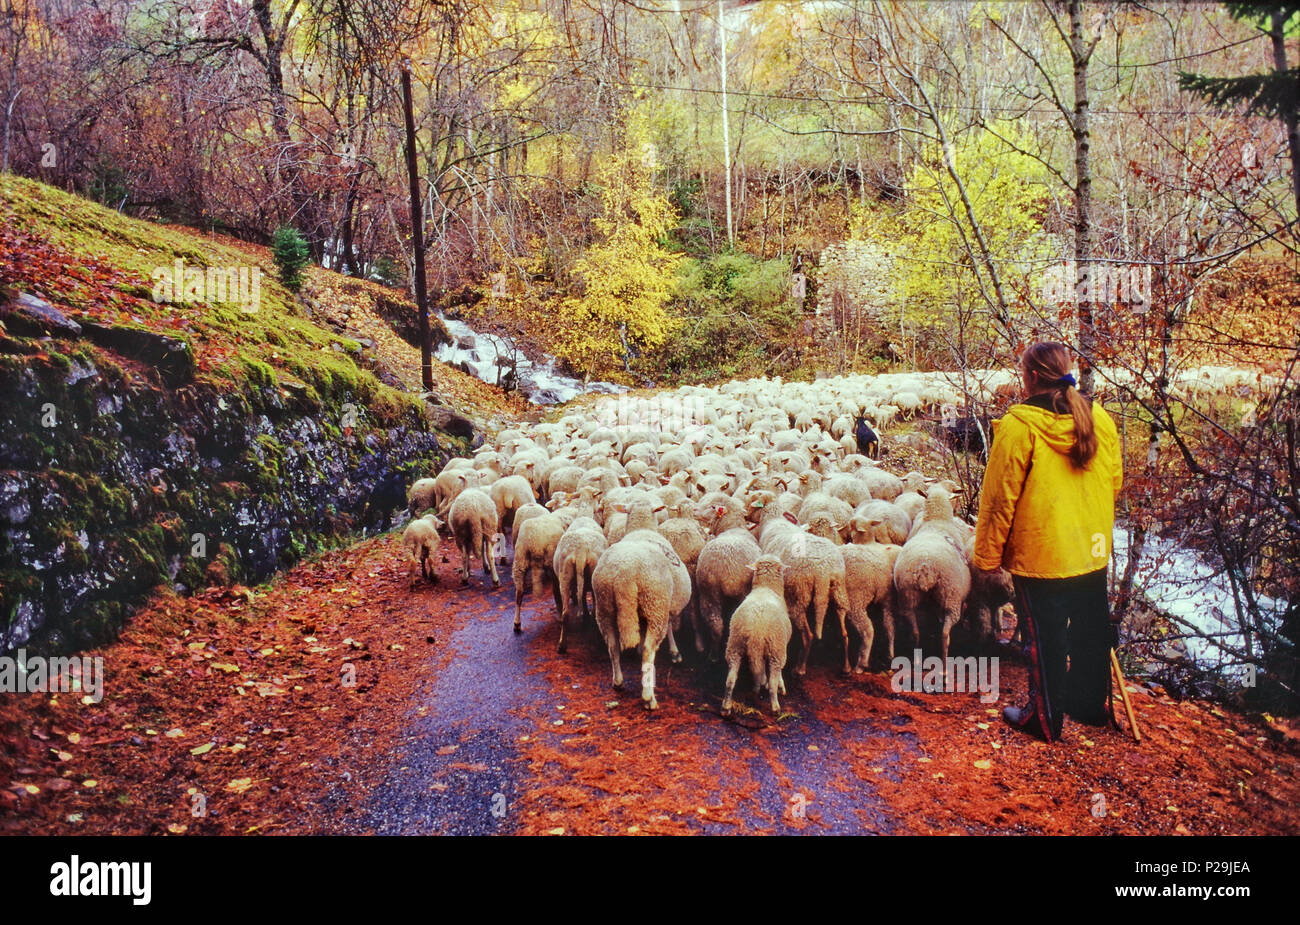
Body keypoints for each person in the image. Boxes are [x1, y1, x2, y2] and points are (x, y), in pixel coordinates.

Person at [972, 342, 1123, 742]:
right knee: (1091, 630)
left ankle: (1044, 717)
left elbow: (999, 497)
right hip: (1091, 548)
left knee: (1045, 636)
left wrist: (986, 557)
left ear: (1032, 376)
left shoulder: (1019, 427)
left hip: (1043, 553)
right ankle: (1088, 705)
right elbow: (1114, 481)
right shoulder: (1099, 417)